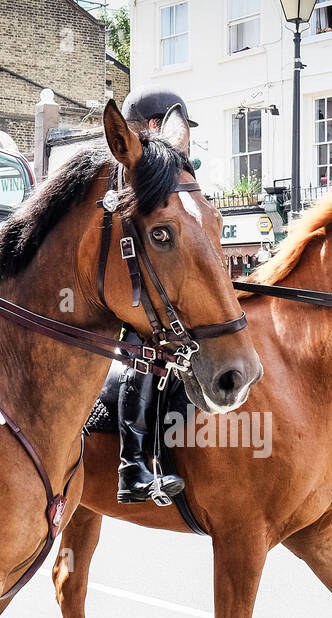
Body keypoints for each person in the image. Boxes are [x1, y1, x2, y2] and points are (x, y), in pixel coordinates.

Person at [113, 86, 198, 503]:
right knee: (142, 358)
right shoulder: (131, 176)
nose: (188, 140)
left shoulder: (177, 179)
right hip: (127, 297)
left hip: (164, 295)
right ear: (153, 127)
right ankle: (133, 463)